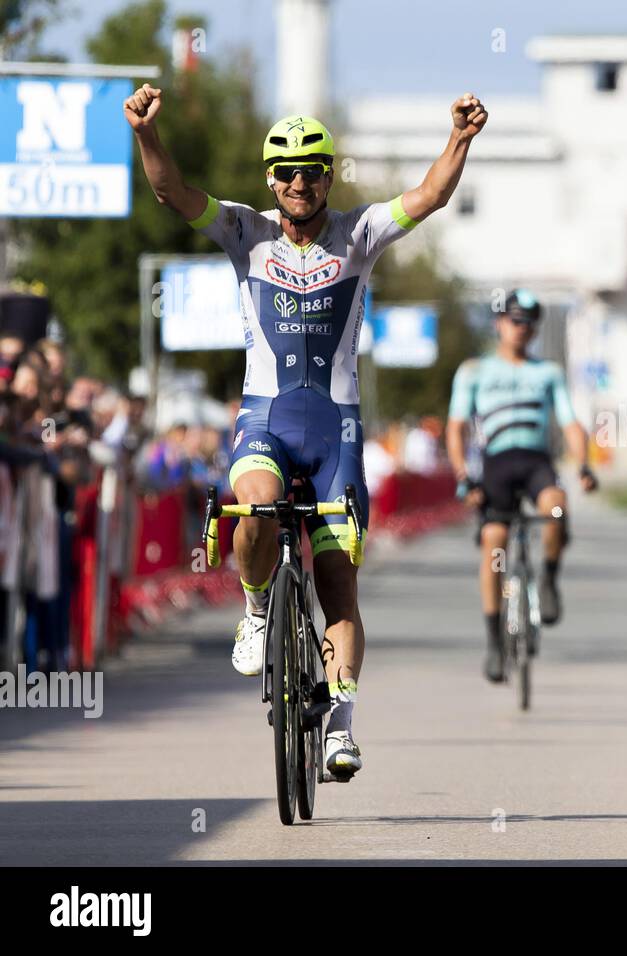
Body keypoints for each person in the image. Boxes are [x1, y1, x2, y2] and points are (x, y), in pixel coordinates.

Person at [125, 82, 488, 780]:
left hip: (337, 434)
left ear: (328, 175)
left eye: (311, 169)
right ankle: (259, 610)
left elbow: (429, 195)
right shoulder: (243, 230)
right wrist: (146, 134)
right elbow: (173, 192)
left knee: (338, 587)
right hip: (264, 419)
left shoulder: (359, 233)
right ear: (271, 179)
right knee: (255, 509)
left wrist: (459, 140)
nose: (299, 182)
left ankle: (341, 728)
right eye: (286, 171)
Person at [445, 290, 597, 682]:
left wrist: (583, 464)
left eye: (529, 323)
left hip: (536, 465)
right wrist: (463, 475)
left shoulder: (547, 373)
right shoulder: (475, 372)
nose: (522, 329)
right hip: (495, 468)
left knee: (557, 508)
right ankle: (495, 641)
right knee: (494, 546)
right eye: (515, 321)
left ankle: (548, 577)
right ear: (499, 323)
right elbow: (457, 427)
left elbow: (570, 423)